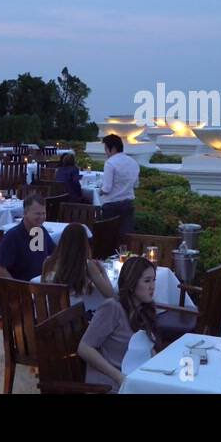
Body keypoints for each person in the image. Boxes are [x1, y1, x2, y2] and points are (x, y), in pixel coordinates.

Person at [77, 256, 158, 392]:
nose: (152, 286)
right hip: (109, 385)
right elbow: (84, 348)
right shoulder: (112, 308)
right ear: (132, 284)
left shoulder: (142, 309)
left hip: (136, 380)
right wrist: (119, 377)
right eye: (147, 281)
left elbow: (147, 348)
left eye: (154, 280)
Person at [42, 222, 114, 312]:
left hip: (52, 315)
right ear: (84, 243)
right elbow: (110, 294)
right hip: (74, 318)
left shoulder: (48, 262)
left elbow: (43, 290)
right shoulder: (86, 265)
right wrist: (103, 272)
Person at [0, 193, 56, 281]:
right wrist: (18, 289)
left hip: (40, 284)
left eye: (43, 213)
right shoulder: (12, 237)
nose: (42, 217)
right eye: (37, 214)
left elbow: (54, 254)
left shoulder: (40, 231)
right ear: (25, 213)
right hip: (24, 288)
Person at [99, 134, 139, 239]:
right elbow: (136, 185)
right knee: (125, 238)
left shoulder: (110, 163)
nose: (106, 152)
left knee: (108, 239)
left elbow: (107, 188)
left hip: (111, 206)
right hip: (128, 204)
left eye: (106, 149)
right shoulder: (133, 162)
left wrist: (100, 191)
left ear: (113, 148)